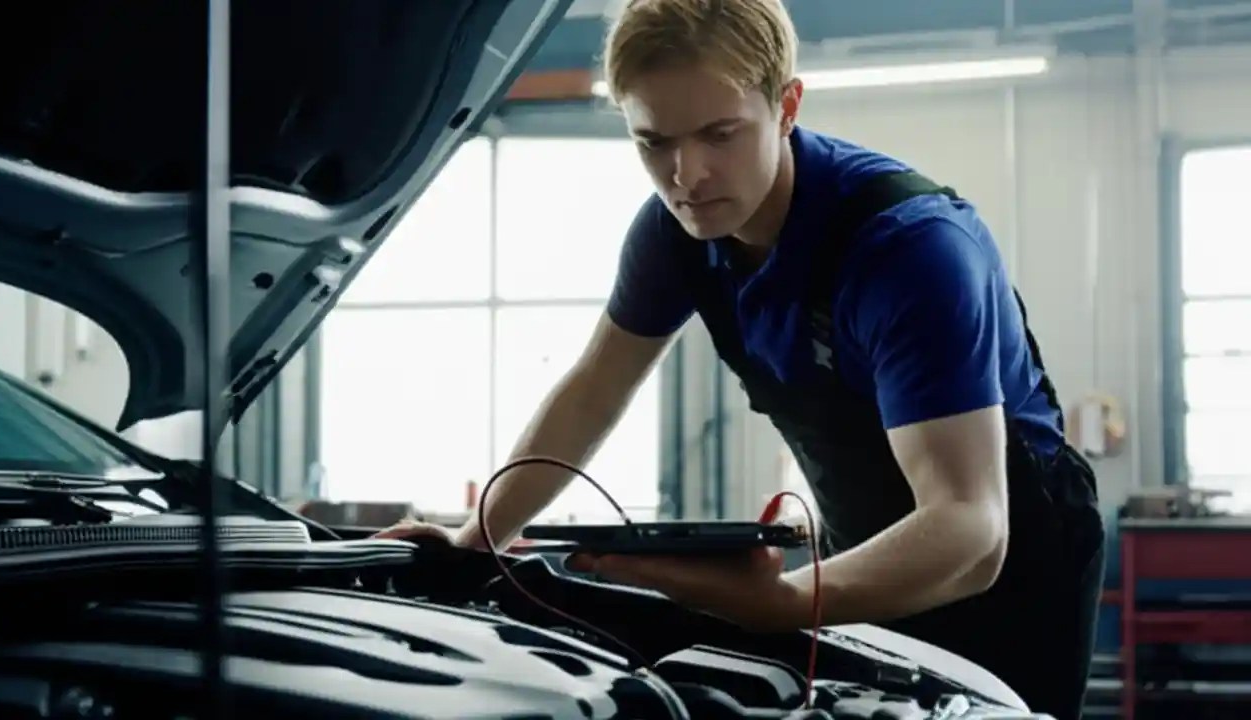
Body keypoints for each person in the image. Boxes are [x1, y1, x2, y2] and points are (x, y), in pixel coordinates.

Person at [375, 0, 1106, 716]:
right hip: (867, 549)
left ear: (787, 106)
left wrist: (787, 600)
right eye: (653, 143)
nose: (686, 176)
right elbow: (594, 389)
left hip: (1012, 568)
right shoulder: (673, 235)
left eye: (719, 134)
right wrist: (478, 545)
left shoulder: (911, 252)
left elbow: (972, 530)